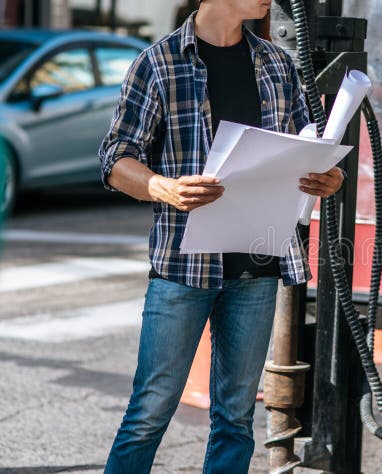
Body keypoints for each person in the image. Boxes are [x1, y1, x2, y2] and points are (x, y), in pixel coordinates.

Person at [99, 1, 344, 472]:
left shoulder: (276, 63)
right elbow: (115, 158)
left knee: (234, 417)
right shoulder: (159, 62)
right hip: (183, 270)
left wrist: (327, 178)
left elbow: (305, 150)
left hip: (258, 267)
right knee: (150, 412)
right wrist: (162, 186)